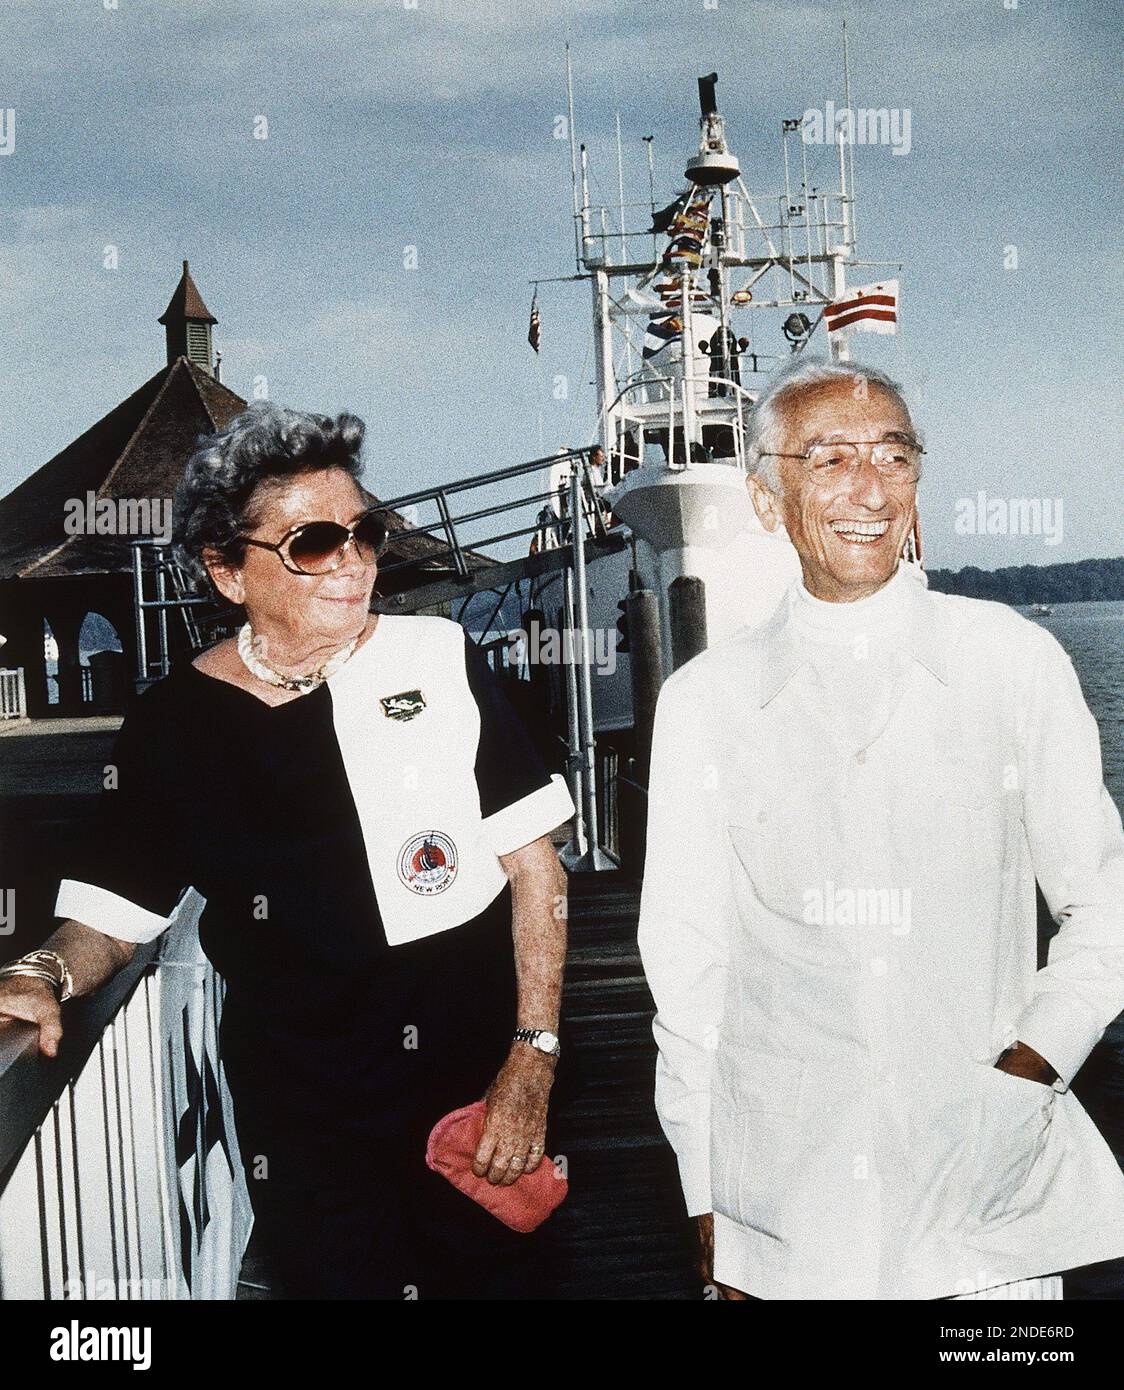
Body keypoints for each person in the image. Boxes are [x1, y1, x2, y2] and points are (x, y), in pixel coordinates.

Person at [0, 403, 575, 1299]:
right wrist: (41, 973)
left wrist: (532, 1055)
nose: (350, 560)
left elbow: (536, 868)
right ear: (227, 572)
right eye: (313, 543)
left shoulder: (442, 656)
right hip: (304, 1105)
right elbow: (113, 916)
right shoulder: (175, 724)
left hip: (474, 1071)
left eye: (364, 533)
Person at [637, 357, 1124, 1300]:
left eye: (894, 457)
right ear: (768, 500)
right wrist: (710, 1194)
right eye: (828, 460)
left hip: (989, 1203)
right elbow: (689, 967)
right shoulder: (705, 704)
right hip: (790, 1212)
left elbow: (1106, 909)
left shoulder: (1013, 663)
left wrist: (1026, 1073)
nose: (869, 489)